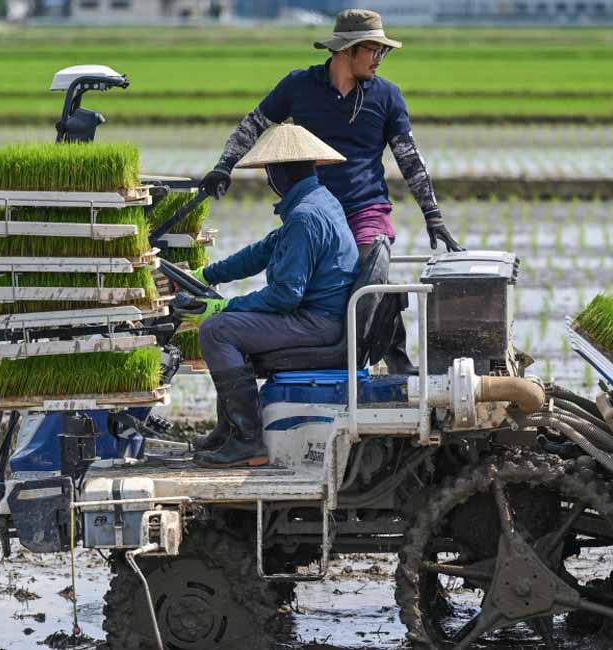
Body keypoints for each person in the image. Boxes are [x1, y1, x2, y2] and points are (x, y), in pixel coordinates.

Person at [199, 8, 463, 375]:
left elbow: (409, 158)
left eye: (383, 51)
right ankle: (307, 346)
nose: (379, 59)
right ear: (346, 50)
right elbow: (254, 125)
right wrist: (224, 165)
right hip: (317, 210)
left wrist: (433, 215)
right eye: (373, 50)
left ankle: (396, 358)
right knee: (304, 286)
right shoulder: (299, 86)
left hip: (366, 209)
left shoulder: (387, 96)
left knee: (370, 272)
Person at [182, 124, 359, 468]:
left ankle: (247, 439)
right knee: (227, 324)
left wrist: (224, 307)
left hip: (318, 323)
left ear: (280, 173)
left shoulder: (305, 218)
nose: (267, 181)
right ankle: (229, 429)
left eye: (269, 172)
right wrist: (206, 275)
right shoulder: (318, 201)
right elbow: (264, 251)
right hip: (323, 316)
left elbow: (285, 296)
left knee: (217, 330)